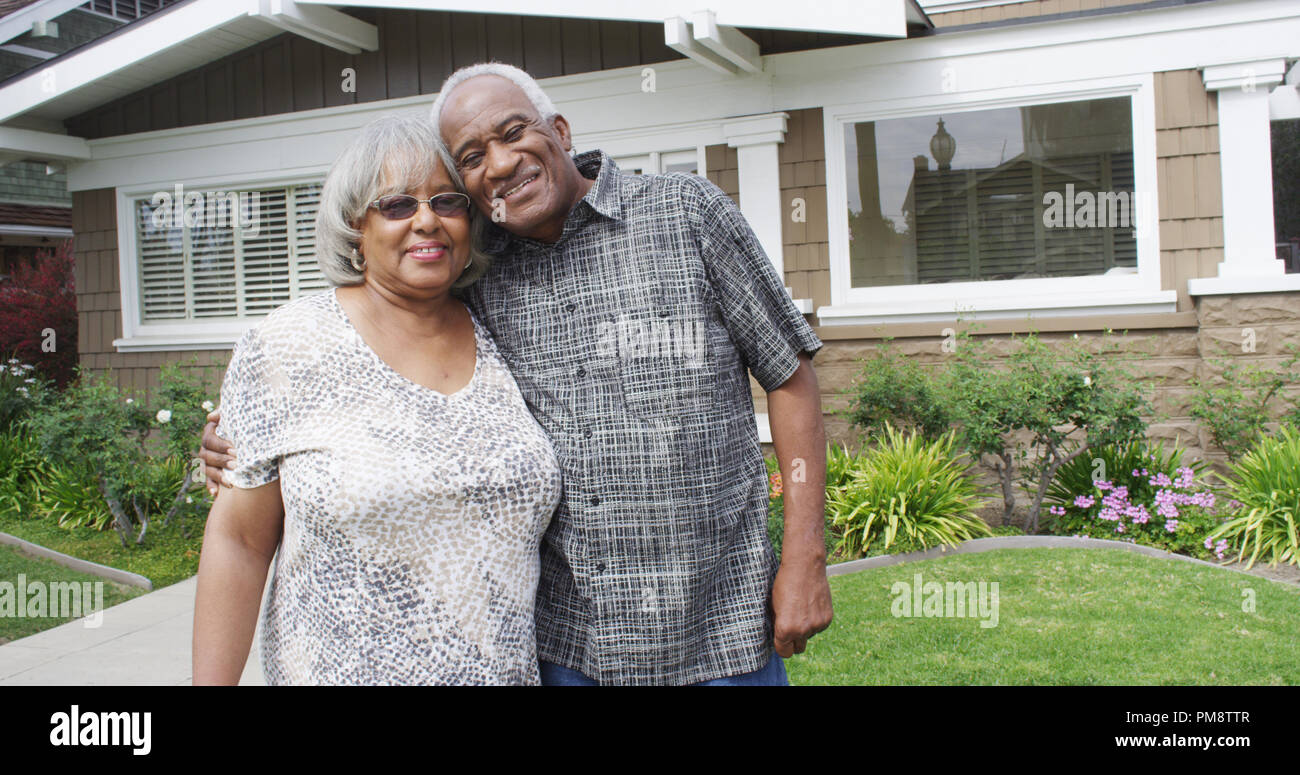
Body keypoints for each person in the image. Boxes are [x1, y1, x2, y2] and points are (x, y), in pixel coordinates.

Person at [204, 63, 832, 686]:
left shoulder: (686, 213)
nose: (500, 164)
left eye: (513, 133)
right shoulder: (477, 278)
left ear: (559, 130)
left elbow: (788, 373)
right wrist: (233, 445)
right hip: (568, 652)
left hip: (718, 635)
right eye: (472, 157)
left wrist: (804, 557)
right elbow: (345, 393)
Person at [192, 114, 561, 685]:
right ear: (353, 226)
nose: (426, 221)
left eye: (446, 202)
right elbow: (240, 540)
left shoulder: (505, 327)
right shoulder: (290, 345)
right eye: (396, 205)